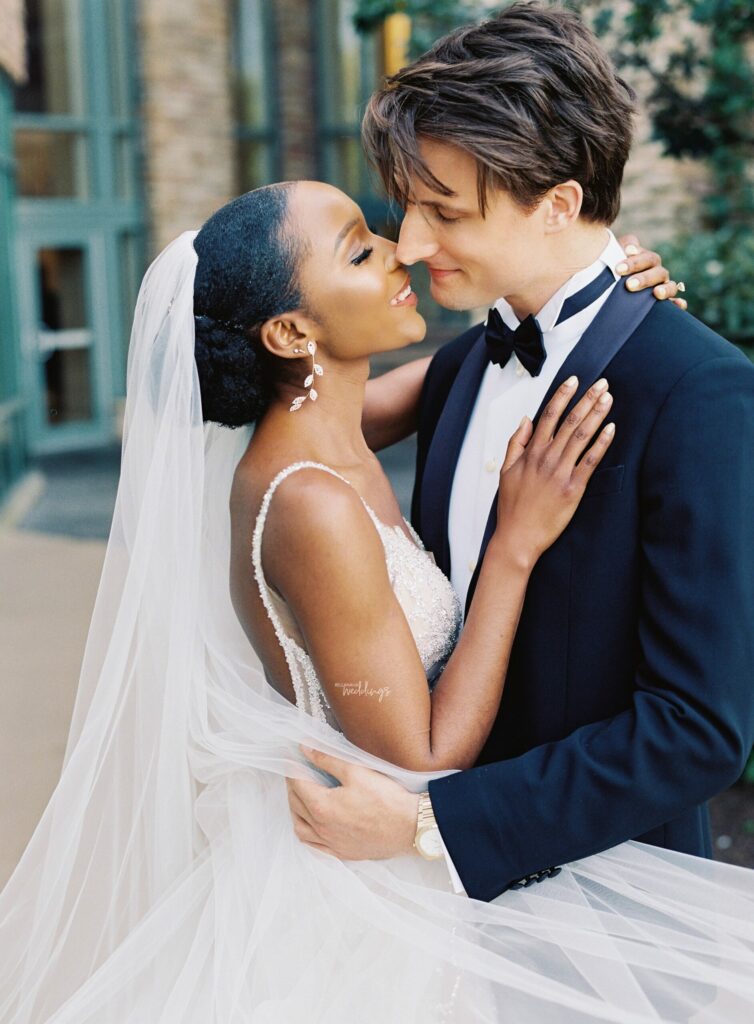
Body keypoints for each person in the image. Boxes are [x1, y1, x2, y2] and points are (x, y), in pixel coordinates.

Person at [1, 179, 753, 1023]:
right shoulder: (310, 503)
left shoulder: (348, 425)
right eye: (361, 250)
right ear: (291, 331)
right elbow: (424, 761)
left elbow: (510, 349)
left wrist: (606, 282)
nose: (403, 250)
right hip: (369, 888)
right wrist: (513, 547)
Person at [287, 2, 754, 910]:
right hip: (429, 918)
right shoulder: (462, 363)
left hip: (611, 917)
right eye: (408, 208)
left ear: (561, 205)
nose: (412, 247)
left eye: (445, 213)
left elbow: (697, 730)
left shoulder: (698, 390)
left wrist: (439, 827)